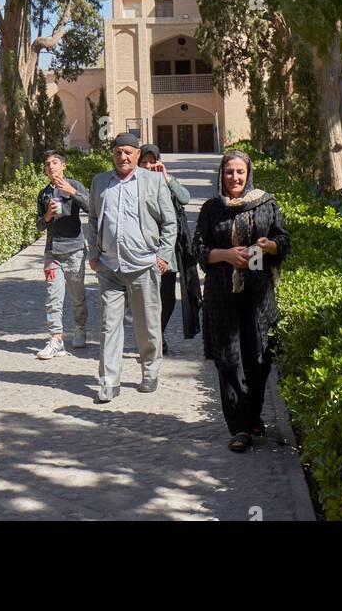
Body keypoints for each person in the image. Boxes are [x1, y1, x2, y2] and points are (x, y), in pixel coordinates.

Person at [193, 148, 290, 452]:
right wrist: (227, 255)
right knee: (229, 360)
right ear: (220, 175)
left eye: (239, 172)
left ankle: (253, 416)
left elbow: (284, 240)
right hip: (221, 295)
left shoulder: (266, 203)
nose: (234, 177)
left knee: (258, 359)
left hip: (258, 294)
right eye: (228, 172)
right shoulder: (212, 208)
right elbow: (198, 248)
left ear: (248, 175)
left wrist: (269, 245)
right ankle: (240, 428)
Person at [87, 132, 177, 403]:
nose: (123, 157)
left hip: (143, 266)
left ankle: (149, 371)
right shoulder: (100, 182)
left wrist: (162, 255)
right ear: (112, 154)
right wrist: (93, 253)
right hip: (110, 268)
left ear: (138, 155)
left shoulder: (152, 181)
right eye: (118, 152)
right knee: (108, 326)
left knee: (147, 324)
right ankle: (109, 381)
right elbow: (92, 220)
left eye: (128, 152)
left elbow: (170, 222)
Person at [138, 143, 201, 352]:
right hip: (142, 250)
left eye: (152, 161)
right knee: (147, 298)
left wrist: (166, 176)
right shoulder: (133, 183)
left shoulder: (165, 182)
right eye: (144, 162)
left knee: (167, 297)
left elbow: (185, 198)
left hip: (168, 250)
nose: (148, 166)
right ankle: (151, 338)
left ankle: (159, 334)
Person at [34, 148, 90, 359]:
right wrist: (47, 214)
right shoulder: (44, 194)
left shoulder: (74, 185)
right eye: (48, 164)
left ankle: (80, 327)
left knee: (77, 296)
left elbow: (92, 208)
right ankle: (56, 339)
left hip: (74, 249)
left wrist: (71, 191)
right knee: (53, 297)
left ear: (63, 166)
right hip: (52, 253)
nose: (51, 167)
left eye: (55, 163)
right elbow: (39, 225)